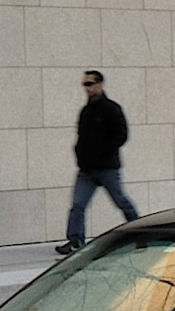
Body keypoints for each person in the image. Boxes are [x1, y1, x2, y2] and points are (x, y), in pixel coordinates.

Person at [59, 70, 140, 255]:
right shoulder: (86, 111)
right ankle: (75, 241)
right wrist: (80, 154)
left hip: (107, 169)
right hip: (87, 170)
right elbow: (81, 136)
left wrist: (103, 150)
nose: (86, 88)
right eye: (84, 84)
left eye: (89, 84)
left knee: (121, 202)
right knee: (78, 205)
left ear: (99, 85)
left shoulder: (112, 109)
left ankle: (141, 234)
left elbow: (121, 135)